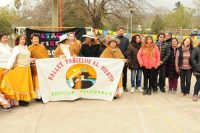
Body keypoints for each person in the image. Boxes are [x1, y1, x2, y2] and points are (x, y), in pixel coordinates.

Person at [1, 35, 36, 106]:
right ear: (18, 41)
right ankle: (21, 100)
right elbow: (12, 58)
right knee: (21, 85)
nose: (23, 40)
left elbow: (26, 58)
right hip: (20, 69)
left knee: (25, 85)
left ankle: (24, 99)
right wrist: (8, 68)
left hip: (27, 69)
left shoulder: (26, 48)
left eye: (24, 39)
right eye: (21, 39)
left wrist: (32, 60)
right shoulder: (16, 48)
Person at [28, 33, 49, 100]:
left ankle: (44, 95)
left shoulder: (42, 47)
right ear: (31, 40)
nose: (36, 40)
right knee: (36, 81)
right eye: (34, 39)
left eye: (37, 39)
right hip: (34, 68)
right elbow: (27, 59)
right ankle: (38, 96)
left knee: (43, 81)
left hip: (43, 67)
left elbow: (46, 56)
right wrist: (33, 61)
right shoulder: (29, 48)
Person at [0, 33, 12, 111]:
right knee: (2, 87)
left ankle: (6, 102)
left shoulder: (8, 47)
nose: (6, 39)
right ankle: (3, 104)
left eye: (7, 38)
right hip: (1, 68)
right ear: (0, 39)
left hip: (9, 69)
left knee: (7, 86)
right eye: (4, 38)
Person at [116, 27, 129, 92]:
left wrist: (123, 56)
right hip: (116, 58)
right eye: (120, 31)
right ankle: (117, 86)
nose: (121, 32)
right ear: (117, 31)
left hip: (124, 58)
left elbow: (127, 48)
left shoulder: (126, 39)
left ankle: (124, 86)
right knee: (116, 73)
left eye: (123, 31)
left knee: (124, 72)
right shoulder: (115, 39)